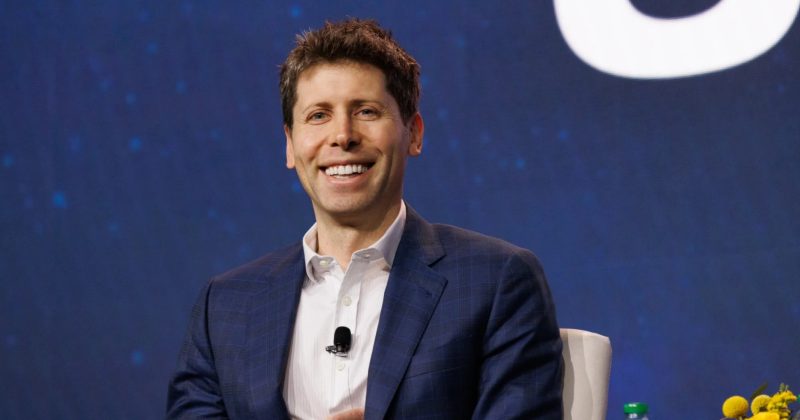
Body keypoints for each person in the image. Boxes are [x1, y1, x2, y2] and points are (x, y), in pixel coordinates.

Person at [167, 18, 563, 419]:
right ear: (290, 144)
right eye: (318, 115)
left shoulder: (494, 282)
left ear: (414, 134)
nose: (343, 135)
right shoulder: (226, 306)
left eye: (367, 111)